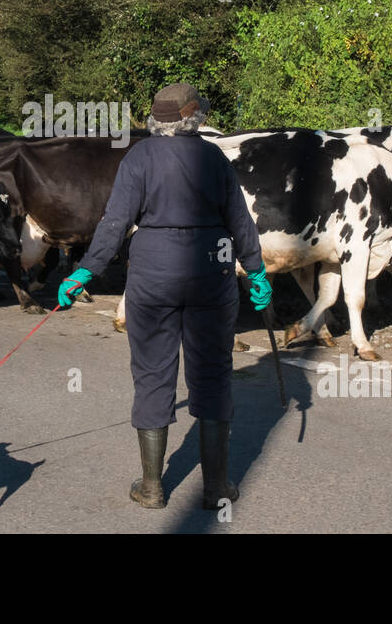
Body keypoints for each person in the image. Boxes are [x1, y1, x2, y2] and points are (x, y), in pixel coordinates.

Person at [58, 83, 271, 510]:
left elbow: (115, 221)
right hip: (211, 273)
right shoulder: (214, 158)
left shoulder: (138, 157)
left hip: (152, 277)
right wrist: (257, 270)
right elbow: (240, 222)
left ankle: (153, 488)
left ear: (156, 120)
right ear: (196, 119)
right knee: (212, 376)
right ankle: (215, 488)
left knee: (153, 375)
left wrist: (85, 270)